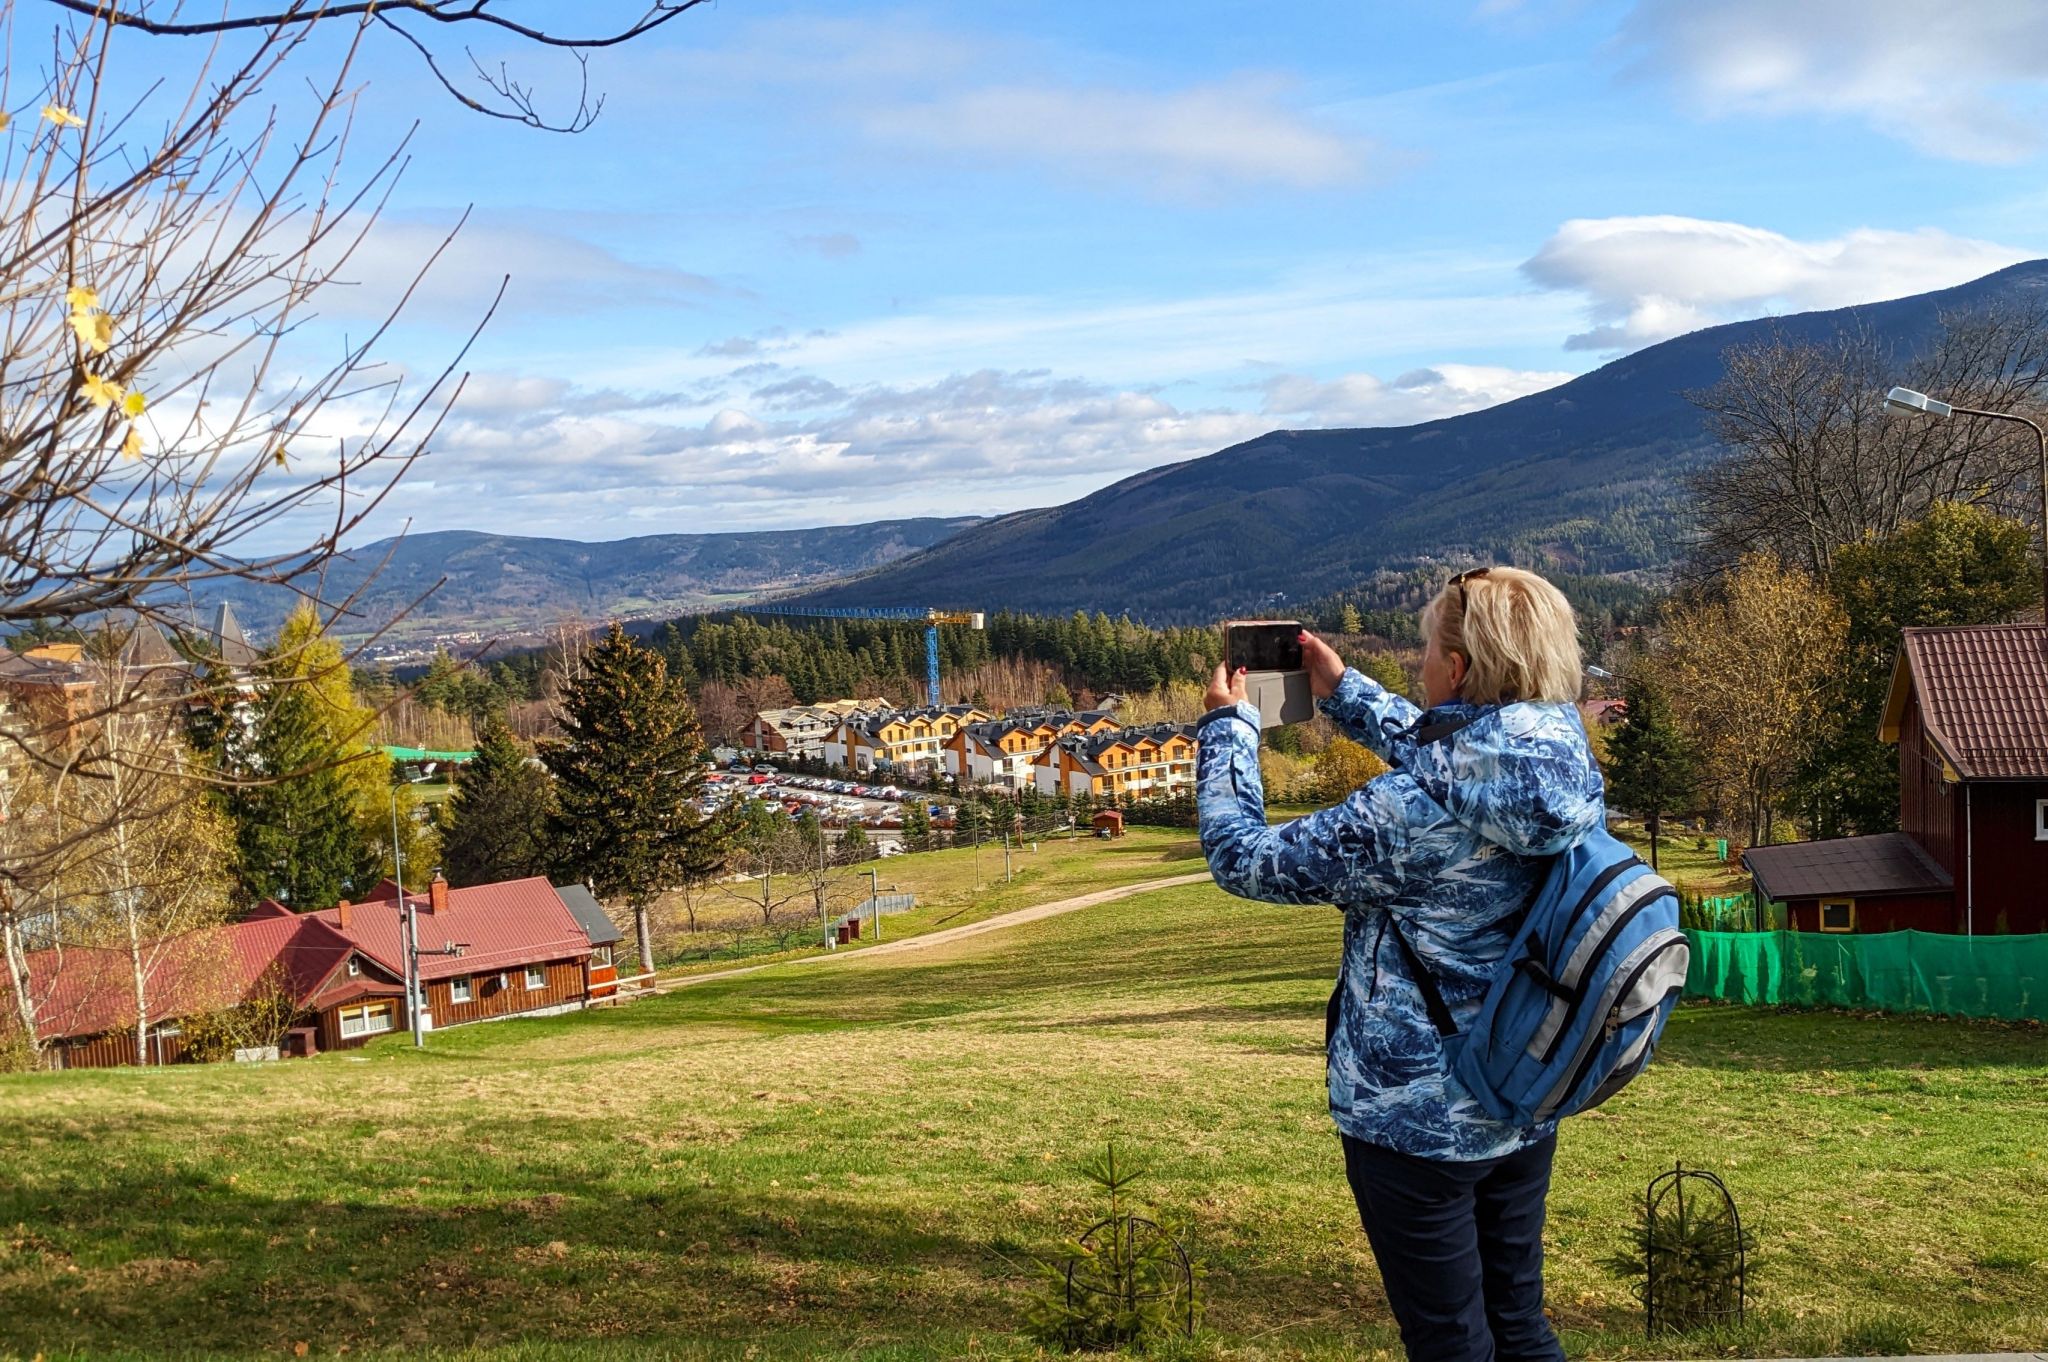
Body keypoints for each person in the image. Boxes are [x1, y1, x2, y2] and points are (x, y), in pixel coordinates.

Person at [1196, 566, 1602, 1362]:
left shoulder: (1411, 815)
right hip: (1521, 1088)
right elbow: (1452, 758)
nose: (1419, 666)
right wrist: (1344, 691)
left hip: (1415, 1118)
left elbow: (1244, 859)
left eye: (1426, 652)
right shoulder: (1558, 755)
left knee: (1450, 1340)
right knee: (1519, 1321)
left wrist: (1229, 731)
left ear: (1458, 670)